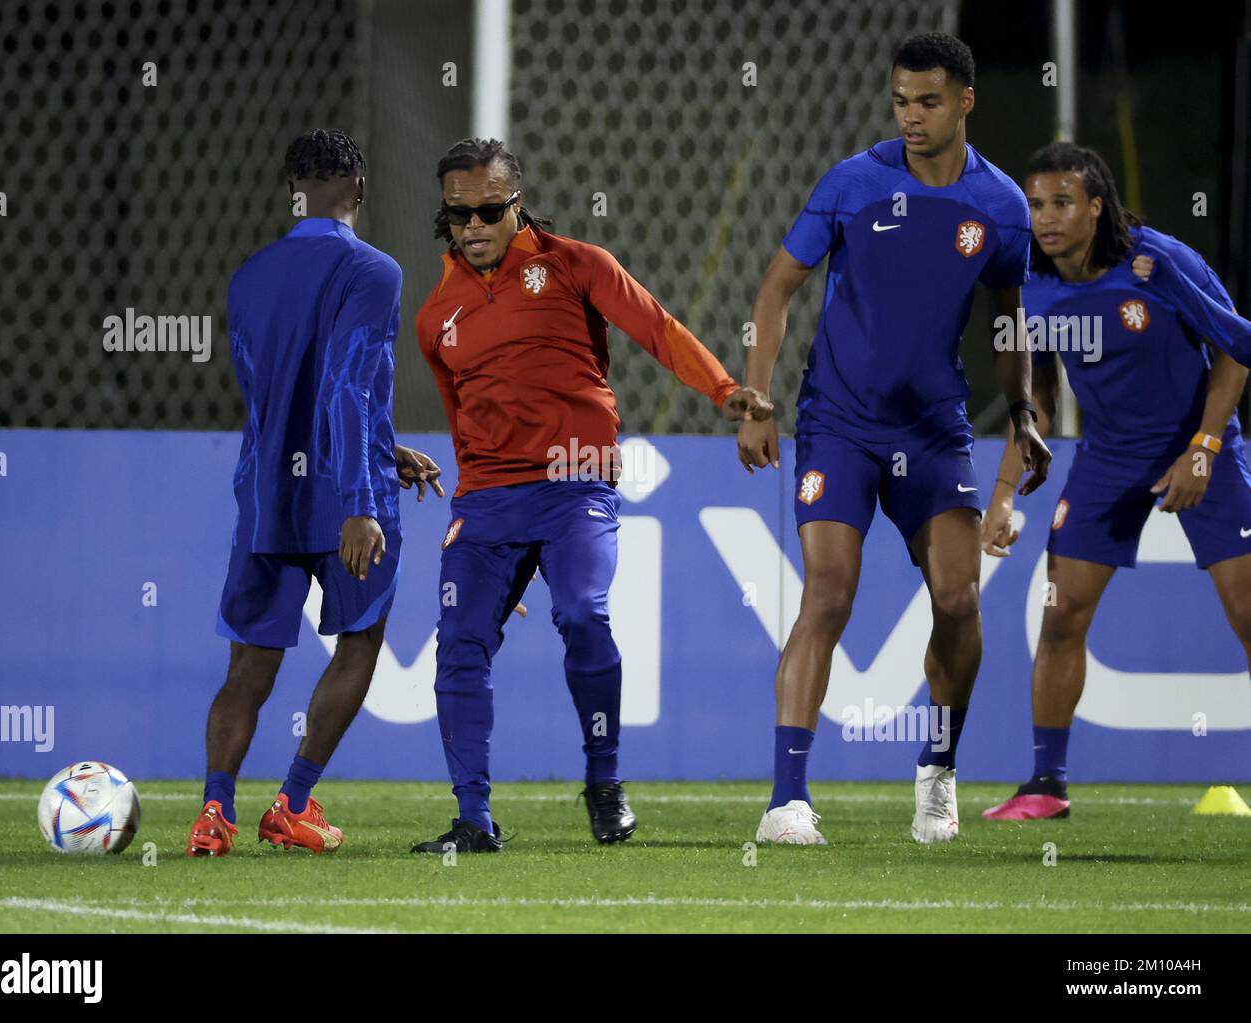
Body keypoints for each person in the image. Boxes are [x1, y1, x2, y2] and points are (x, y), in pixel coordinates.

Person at [411, 137, 770, 853]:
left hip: (576, 486)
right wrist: (475, 527)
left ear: (518, 204)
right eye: (460, 214)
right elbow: (462, 424)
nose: (474, 225)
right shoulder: (434, 317)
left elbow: (658, 329)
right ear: (446, 217)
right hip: (487, 506)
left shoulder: (577, 265)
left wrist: (727, 391)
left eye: (489, 209)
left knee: (581, 613)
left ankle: (604, 783)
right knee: (459, 646)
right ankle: (474, 820)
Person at [737, 33, 1051, 846]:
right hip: (839, 420)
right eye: (901, 102)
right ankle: (788, 800)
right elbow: (776, 291)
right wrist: (758, 397)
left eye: (929, 102)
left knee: (958, 599)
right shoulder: (853, 182)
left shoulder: (1002, 206)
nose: (912, 117)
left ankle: (937, 773)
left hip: (933, 426)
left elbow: (1008, 318)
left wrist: (1021, 409)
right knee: (828, 594)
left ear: (965, 101)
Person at [187, 129, 443, 856]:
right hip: (341, 500)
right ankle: (292, 804)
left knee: (248, 663)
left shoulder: (249, 275)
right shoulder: (375, 270)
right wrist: (362, 493)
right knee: (360, 639)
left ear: (291, 188)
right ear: (357, 188)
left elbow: (277, 400)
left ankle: (214, 813)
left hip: (268, 491)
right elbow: (345, 385)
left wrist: (381, 449)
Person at [982, 141, 1251, 820]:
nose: (1046, 217)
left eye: (1062, 203)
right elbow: (1034, 399)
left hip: (1200, 447)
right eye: (1036, 204)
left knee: (1248, 613)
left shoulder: (1155, 263)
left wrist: (1205, 447)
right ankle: (1045, 784)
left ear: (1096, 207)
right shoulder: (1031, 285)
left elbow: (1236, 348)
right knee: (1061, 614)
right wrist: (1005, 493)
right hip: (1108, 458)